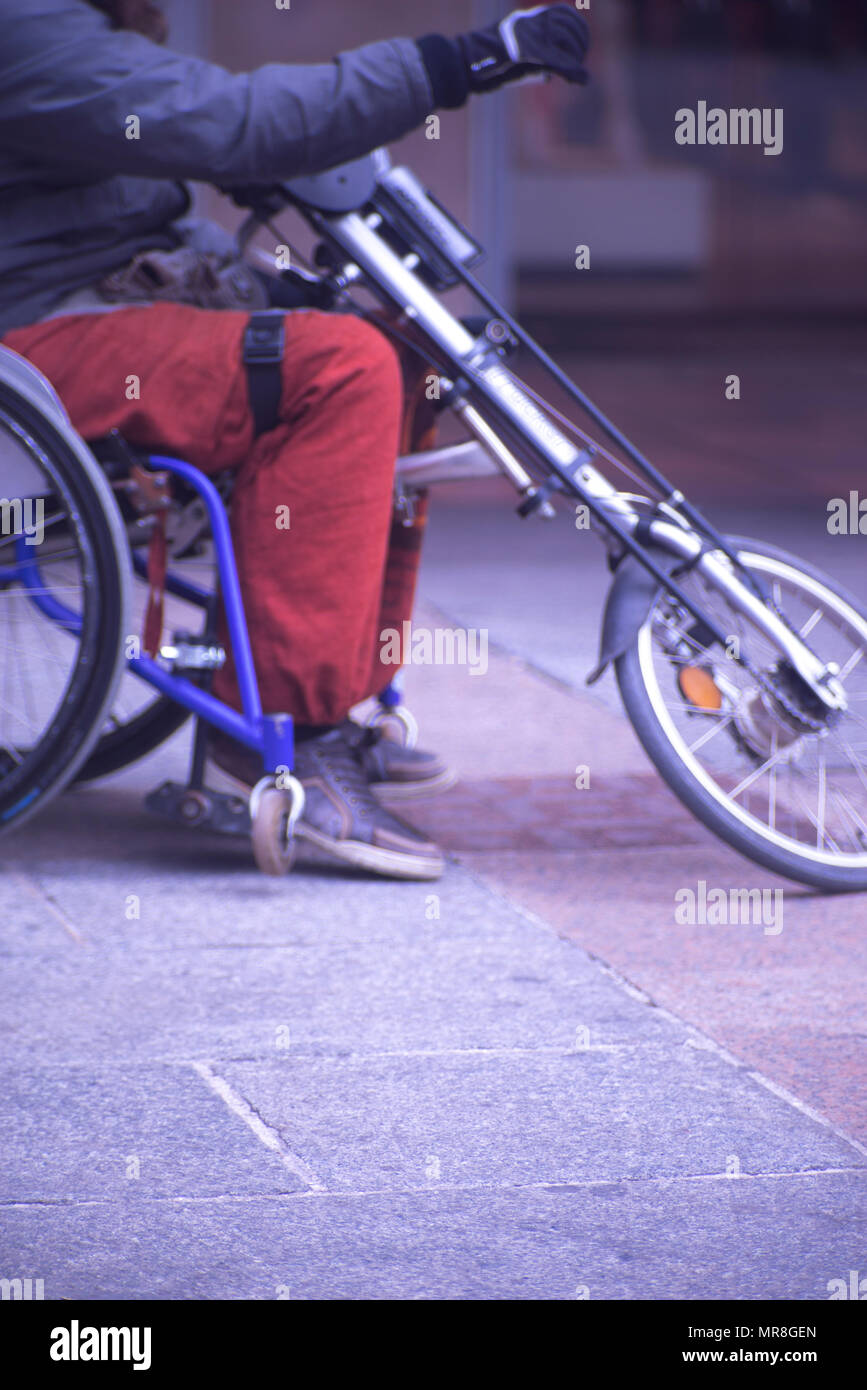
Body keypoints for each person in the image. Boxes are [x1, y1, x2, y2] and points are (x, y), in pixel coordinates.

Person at [0, 0, 590, 880]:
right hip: (34, 343)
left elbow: (144, 227)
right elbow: (232, 119)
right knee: (340, 367)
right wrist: (456, 62)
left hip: (99, 308)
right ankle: (281, 736)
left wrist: (280, 289)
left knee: (398, 350)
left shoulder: (76, 25)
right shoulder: (24, 26)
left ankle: (335, 695)